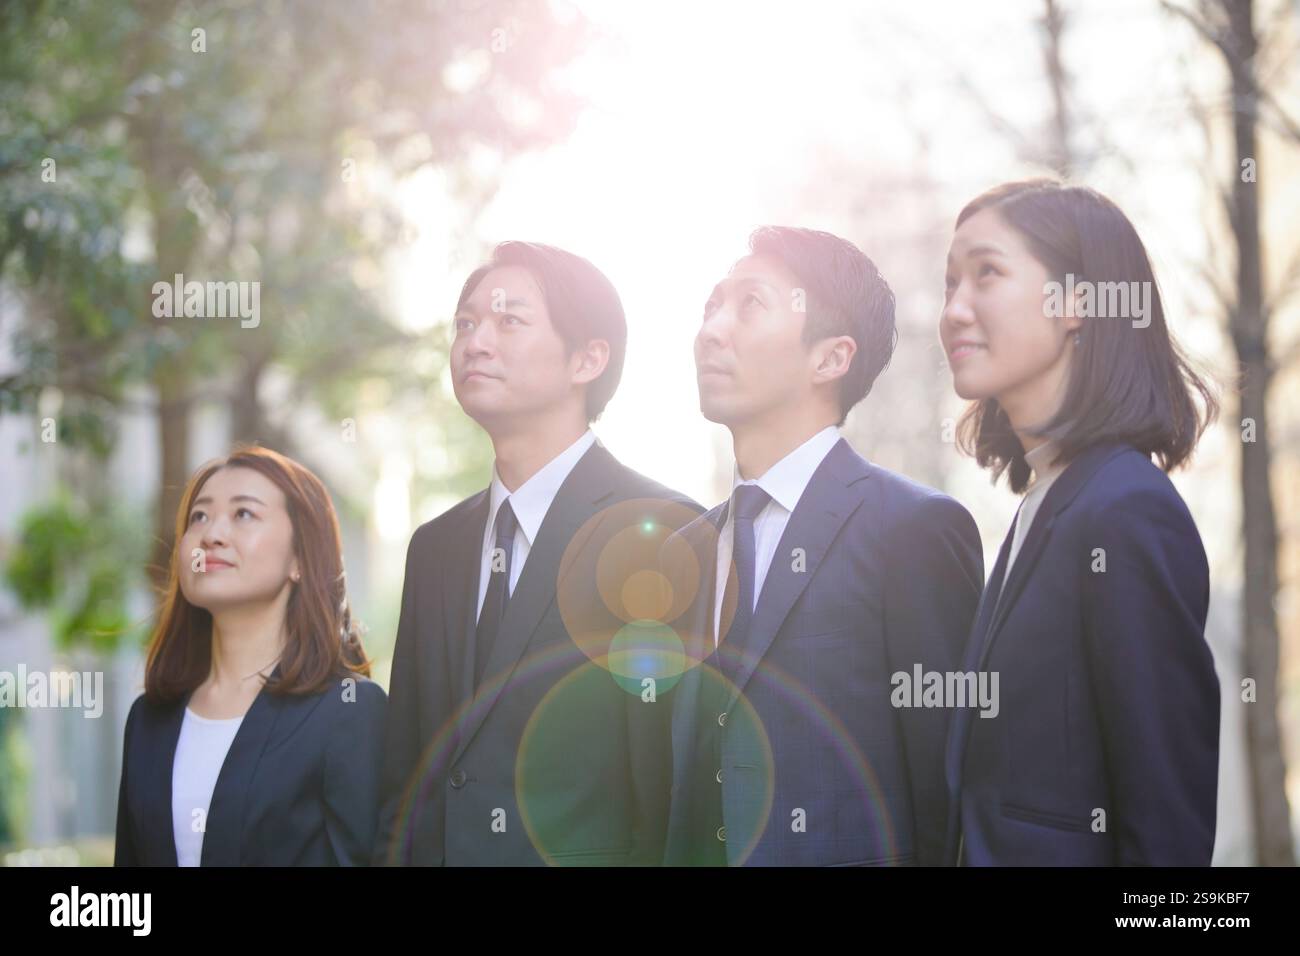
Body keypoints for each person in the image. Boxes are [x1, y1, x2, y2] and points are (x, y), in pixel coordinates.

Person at [662, 226, 983, 866]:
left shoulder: (912, 531)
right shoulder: (682, 553)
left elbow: (951, 798)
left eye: (750, 305)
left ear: (831, 358)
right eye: (712, 305)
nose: (712, 330)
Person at [375, 241, 701, 866]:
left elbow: (670, 785)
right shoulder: (435, 548)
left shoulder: (660, 531)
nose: (475, 342)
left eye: (509, 320)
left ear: (587, 358)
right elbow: (405, 777)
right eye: (465, 323)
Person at [938, 179, 1220, 865]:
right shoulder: (1043, 505)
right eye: (950, 283)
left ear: (1076, 303)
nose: (953, 310)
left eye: (986, 273)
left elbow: (1167, 835)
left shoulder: (1126, 510)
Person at [115, 445, 386, 866]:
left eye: (243, 514)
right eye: (199, 517)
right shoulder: (149, 718)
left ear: (300, 558)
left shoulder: (348, 711)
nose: (211, 535)